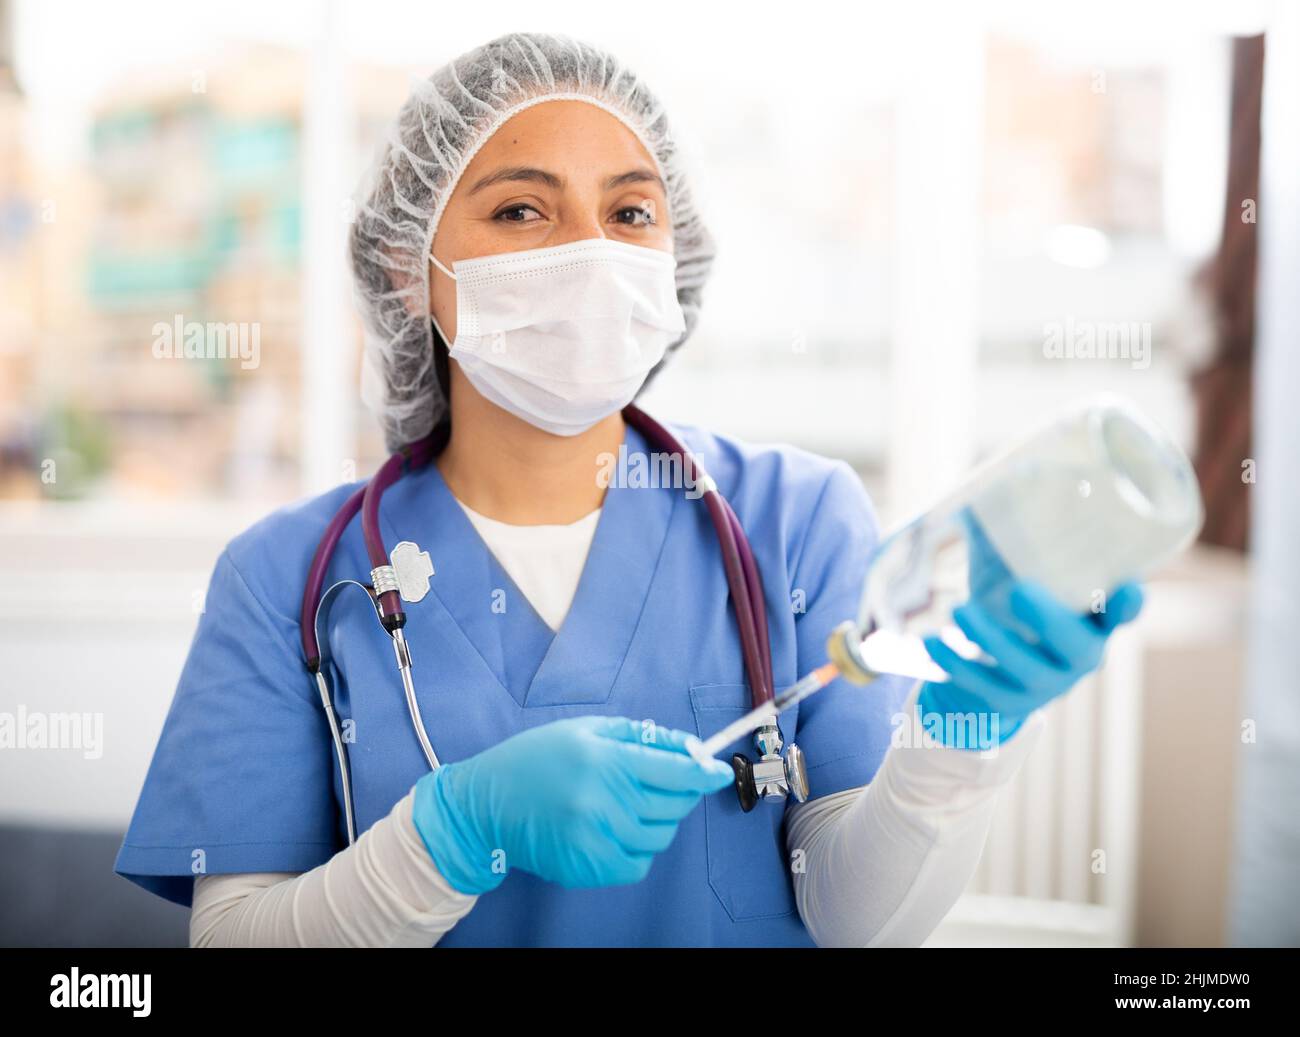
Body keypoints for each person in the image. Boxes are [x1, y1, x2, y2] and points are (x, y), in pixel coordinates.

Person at [114, 32, 1143, 947]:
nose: (591, 254)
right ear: (403, 267)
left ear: (673, 256)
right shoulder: (284, 575)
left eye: (629, 211)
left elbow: (853, 916)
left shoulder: (795, 518)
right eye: (522, 208)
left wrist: (957, 744)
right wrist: (452, 833)